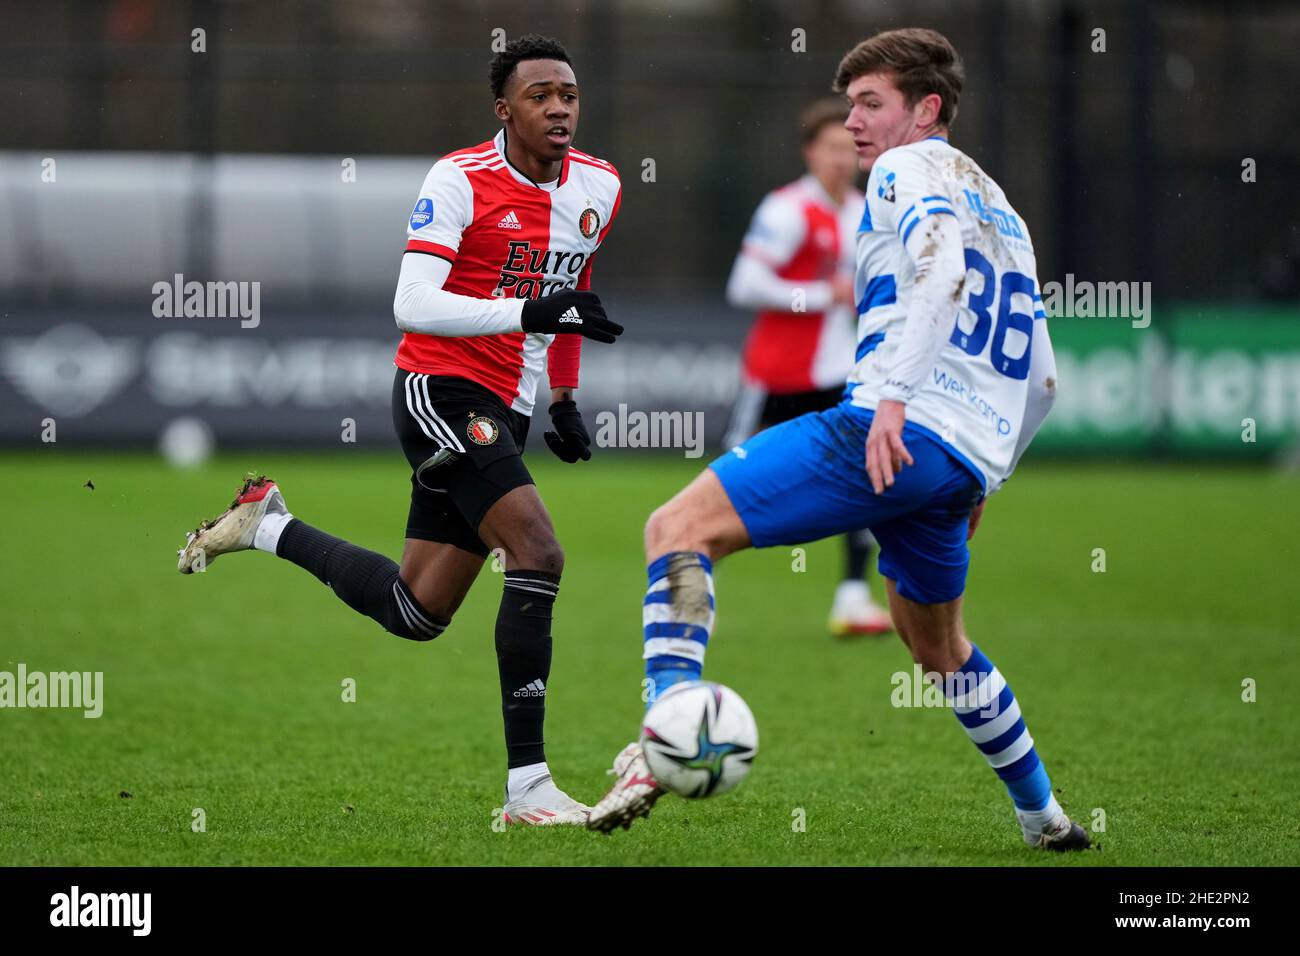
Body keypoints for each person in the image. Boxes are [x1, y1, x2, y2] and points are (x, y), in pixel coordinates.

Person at [588, 27, 1089, 851]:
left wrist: (891, 402)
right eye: (850, 104)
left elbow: (942, 275)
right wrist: (986, 479)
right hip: (959, 461)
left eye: (870, 103)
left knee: (675, 529)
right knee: (937, 645)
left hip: (886, 432)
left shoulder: (905, 168)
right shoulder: (1004, 211)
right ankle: (1044, 817)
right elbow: (1042, 378)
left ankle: (662, 730)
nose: (853, 121)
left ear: (926, 110)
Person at [177, 34, 622, 827]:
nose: (559, 107)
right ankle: (529, 790)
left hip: (509, 405)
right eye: (540, 95)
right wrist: (529, 312)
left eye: (569, 93)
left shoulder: (601, 184)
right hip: (440, 390)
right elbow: (413, 302)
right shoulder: (459, 179)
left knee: (416, 613)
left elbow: (573, 287)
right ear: (505, 110)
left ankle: (266, 526)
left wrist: (562, 399)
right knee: (540, 553)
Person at [724, 97, 891, 636]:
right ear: (809, 152)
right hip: (779, 373)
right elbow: (744, 285)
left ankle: (852, 597)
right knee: (732, 479)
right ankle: (685, 583)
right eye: (831, 148)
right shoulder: (787, 209)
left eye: (849, 147)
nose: (842, 158)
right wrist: (821, 294)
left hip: (843, 371)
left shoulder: (867, 210)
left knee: (868, 474)